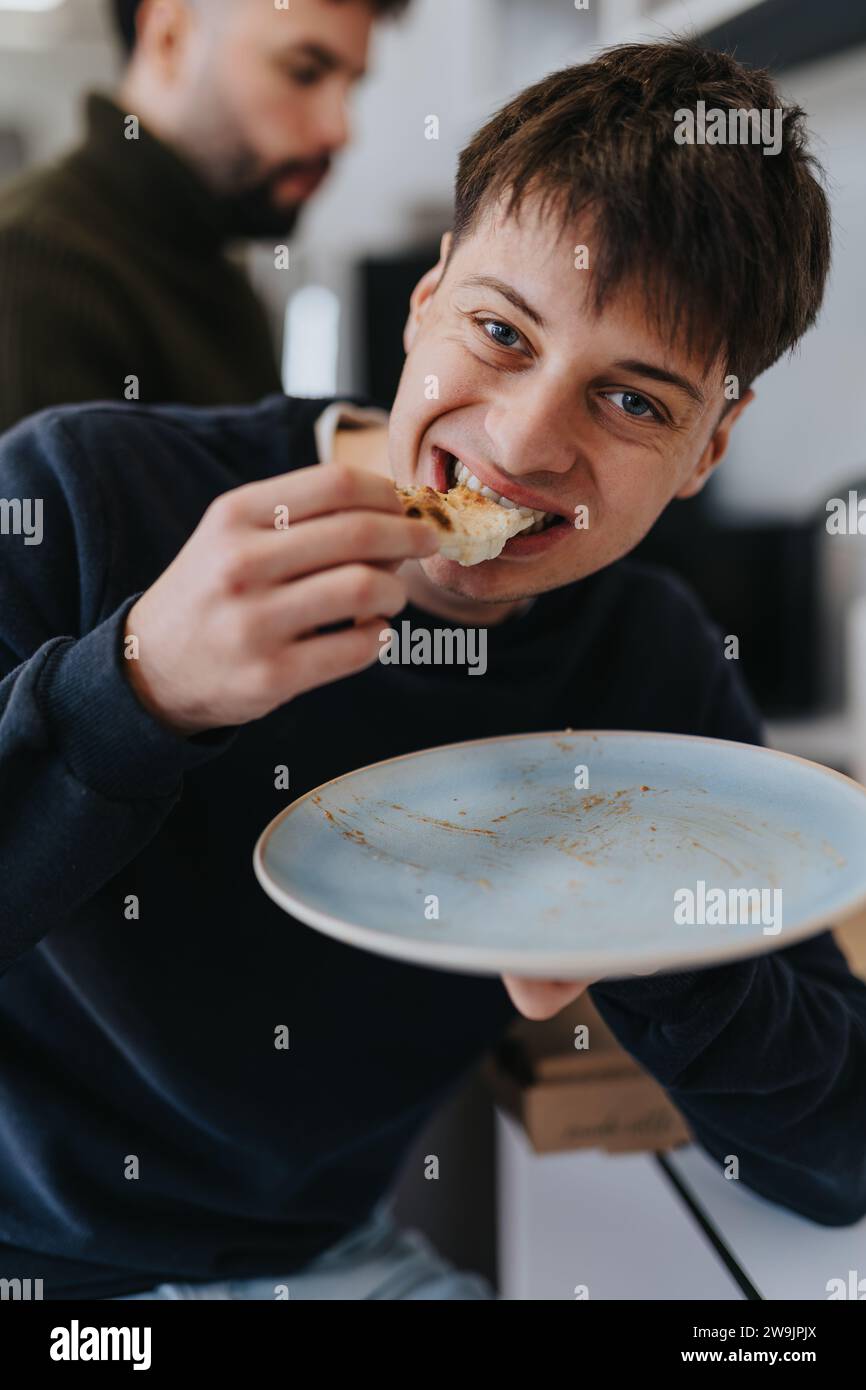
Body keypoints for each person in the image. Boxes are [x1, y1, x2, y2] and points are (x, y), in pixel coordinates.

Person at [0, 38, 863, 1302]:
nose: (522, 444)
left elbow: (837, 1158)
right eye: (500, 331)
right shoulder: (83, 490)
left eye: (632, 403)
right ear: (423, 302)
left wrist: (657, 932)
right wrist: (134, 689)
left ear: (706, 450)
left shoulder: (650, 673)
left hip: (328, 1263)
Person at [0, 0, 409, 433]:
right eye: (304, 72)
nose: (340, 130)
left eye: (350, 88)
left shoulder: (213, 270)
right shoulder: (32, 265)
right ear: (169, 38)